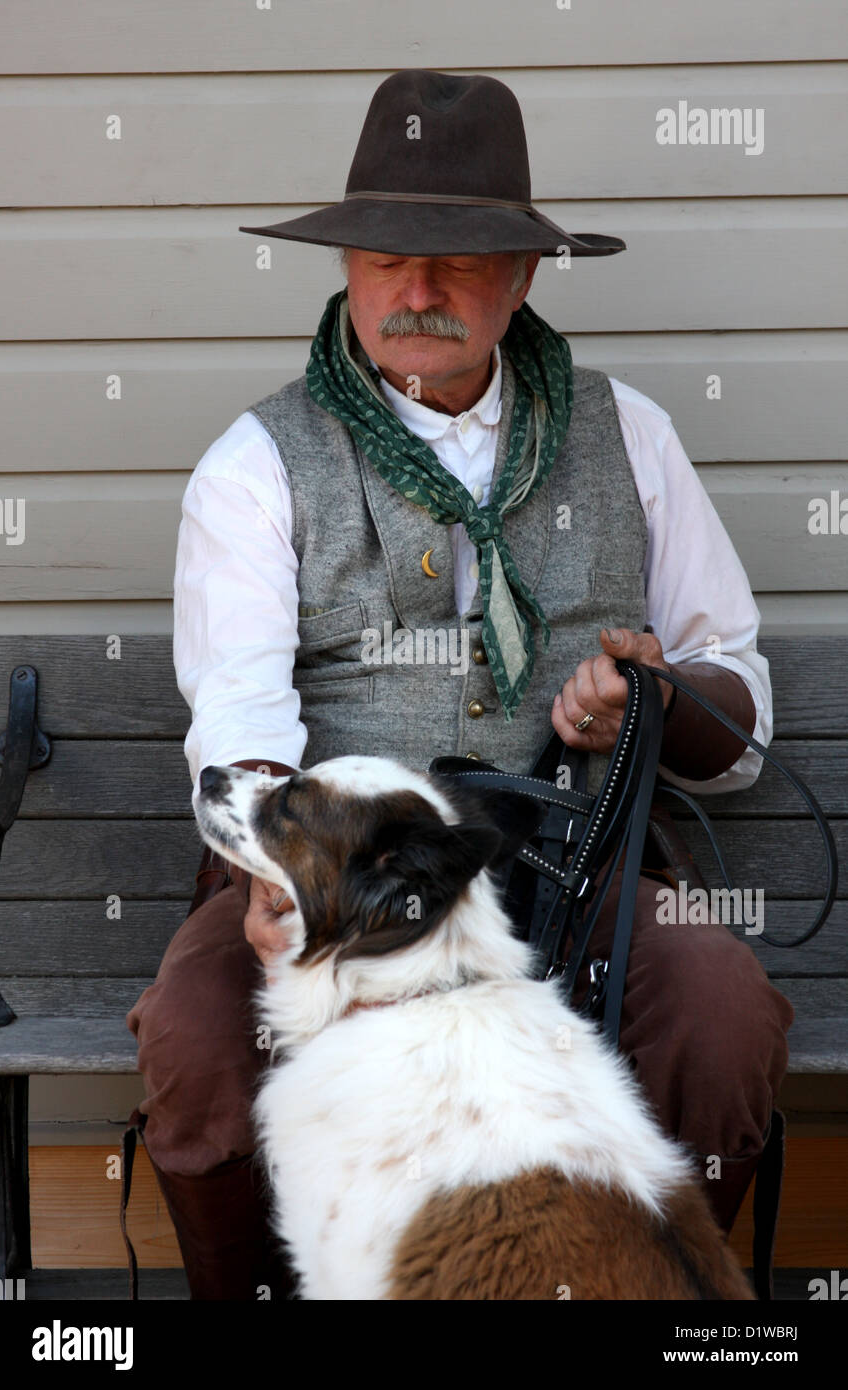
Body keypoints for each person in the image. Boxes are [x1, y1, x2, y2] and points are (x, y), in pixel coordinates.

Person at [126, 69, 793, 1300]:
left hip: (577, 873)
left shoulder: (628, 433)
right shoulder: (255, 464)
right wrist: (278, 886)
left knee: (721, 1008)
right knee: (194, 1033)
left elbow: (735, 711)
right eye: (386, 257)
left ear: (523, 275)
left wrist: (648, 692)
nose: (417, 292)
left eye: (461, 260)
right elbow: (241, 716)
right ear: (346, 268)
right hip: (344, 879)